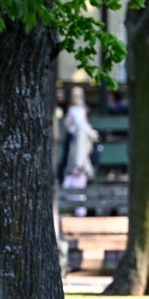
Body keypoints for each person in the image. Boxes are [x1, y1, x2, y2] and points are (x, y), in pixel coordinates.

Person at [61, 85, 100, 217]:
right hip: (76, 163)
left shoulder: (80, 130)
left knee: (76, 191)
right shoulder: (79, 128)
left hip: (78, 165)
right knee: (74, 190)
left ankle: (78, 218)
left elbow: (80, 151)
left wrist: (78, 165)